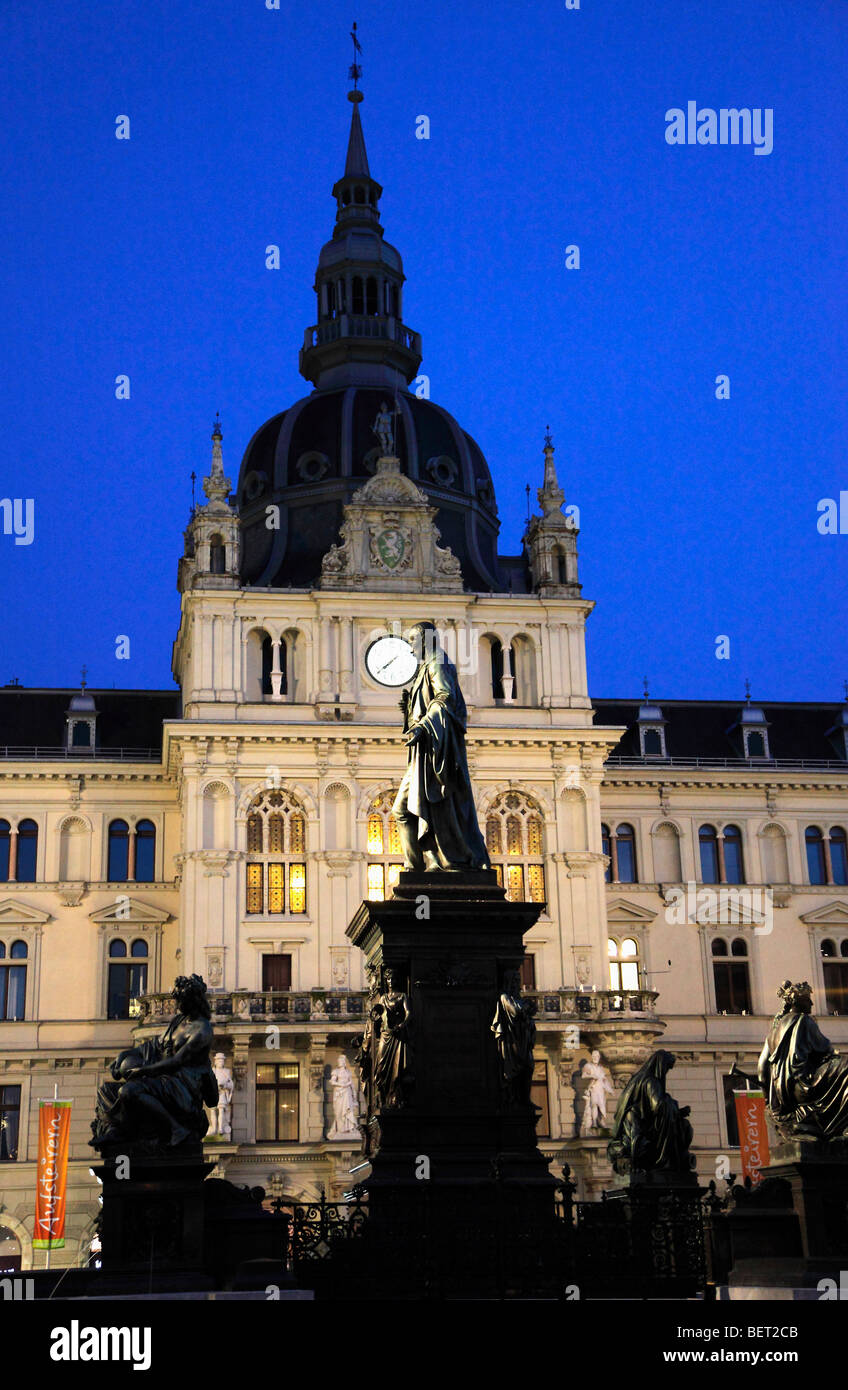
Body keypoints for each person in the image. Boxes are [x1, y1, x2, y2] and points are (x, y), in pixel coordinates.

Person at [392, 621, 490, 872]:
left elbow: (445, 697)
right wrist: (409, 712)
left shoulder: (438, 663)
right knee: (410, 808)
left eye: (413, 641)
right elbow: (428, 704)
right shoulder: (425, 667)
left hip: (435, 749)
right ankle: (421, 864)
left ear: (425, 639)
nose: (411, 648)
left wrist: (424, 725)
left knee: (411, 808)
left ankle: (423, 865)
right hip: (423, 750)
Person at [91, 974, 218, 1149]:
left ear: (192, 1000)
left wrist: (142, 1071)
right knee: (107, 1091)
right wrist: (124, 1055)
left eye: (181, 1001)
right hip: (162, 1079)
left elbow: (176, 1062)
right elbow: (154, 1046)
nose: (178, 1005)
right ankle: (116, 1131)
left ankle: (177, 1128)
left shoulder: (202, 1030)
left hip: (181, 1087)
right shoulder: (179, 1020)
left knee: (129, 1091)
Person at [757, 979, 848, 1139]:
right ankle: (837, 1127)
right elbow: (826, 1050)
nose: (812, 1004)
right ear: (796, 1002)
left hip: (786, 1096)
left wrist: (770, 1103)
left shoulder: (773, 1032)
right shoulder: (804, 1021)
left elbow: (761, 1070)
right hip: (806, 1087)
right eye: (808, 999)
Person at [607, 1050, 693, 1174]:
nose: (666, 1072)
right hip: (643, 1126)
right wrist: (674, 1105)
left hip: (642, 1123)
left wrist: (676, 1111)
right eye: (666, 1068)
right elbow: (658, 1105)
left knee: (683, 1126)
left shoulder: (639, 1078)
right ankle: (665, 1162)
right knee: (680, 1127)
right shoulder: (650, 1081)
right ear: (660, 1066)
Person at [373, 969, 412, 1109]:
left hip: (397, 1035)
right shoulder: (383, 998)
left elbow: (409, 1014)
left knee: (399, 1067)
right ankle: (383, 1096)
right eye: (388, 979)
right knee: (380, 1067)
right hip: (386, 1034)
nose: (391, 982)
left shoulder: (402, 996)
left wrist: (401, 1025)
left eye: (393, 979)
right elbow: (379, 1016)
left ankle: (395, 1097)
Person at [580, 1050, 615, 1134]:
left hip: (600, 1089)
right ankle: (595, 1122)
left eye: (597, 1056)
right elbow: (583, 1076)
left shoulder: (600, 1068)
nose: (595, 1058)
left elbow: (604, 1080)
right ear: (592, 1057)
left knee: (602, 1106)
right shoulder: (588, 1066)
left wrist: (610, 1090)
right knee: (594, 1104)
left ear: (599, 1058)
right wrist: (592, 1075)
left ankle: (601, 1122)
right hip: (593, 1088)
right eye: (594, 1056)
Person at [327, 1055, 360, 1138]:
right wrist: (341, 1084)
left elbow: (351, 1084)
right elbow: (332, 1081)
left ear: (344, 1062)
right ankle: (341, 1130)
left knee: (348, 1110)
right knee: (339, 1111)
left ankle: (349, 1128)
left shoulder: (348, 1072)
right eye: (339, 1061)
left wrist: (355, 1098)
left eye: (341, 1061)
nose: (340, 1063)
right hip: (339, 1093)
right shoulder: (336, 1071)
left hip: (347, 1092)